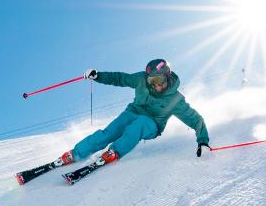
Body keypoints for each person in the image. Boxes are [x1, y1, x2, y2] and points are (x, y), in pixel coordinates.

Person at [63, 58, 210, 168]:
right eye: (152, 80)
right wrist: (98, 76)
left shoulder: (175, 100)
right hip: (132, 111)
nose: (155, 85)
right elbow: (120, 78)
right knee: (109, 132)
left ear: (168, 76)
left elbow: (195, 120)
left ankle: (114, 152)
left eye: (159, 79)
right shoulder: (141, 80)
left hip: (152, 123)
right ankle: (76, 153)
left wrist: (203, 141)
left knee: (137, 126)